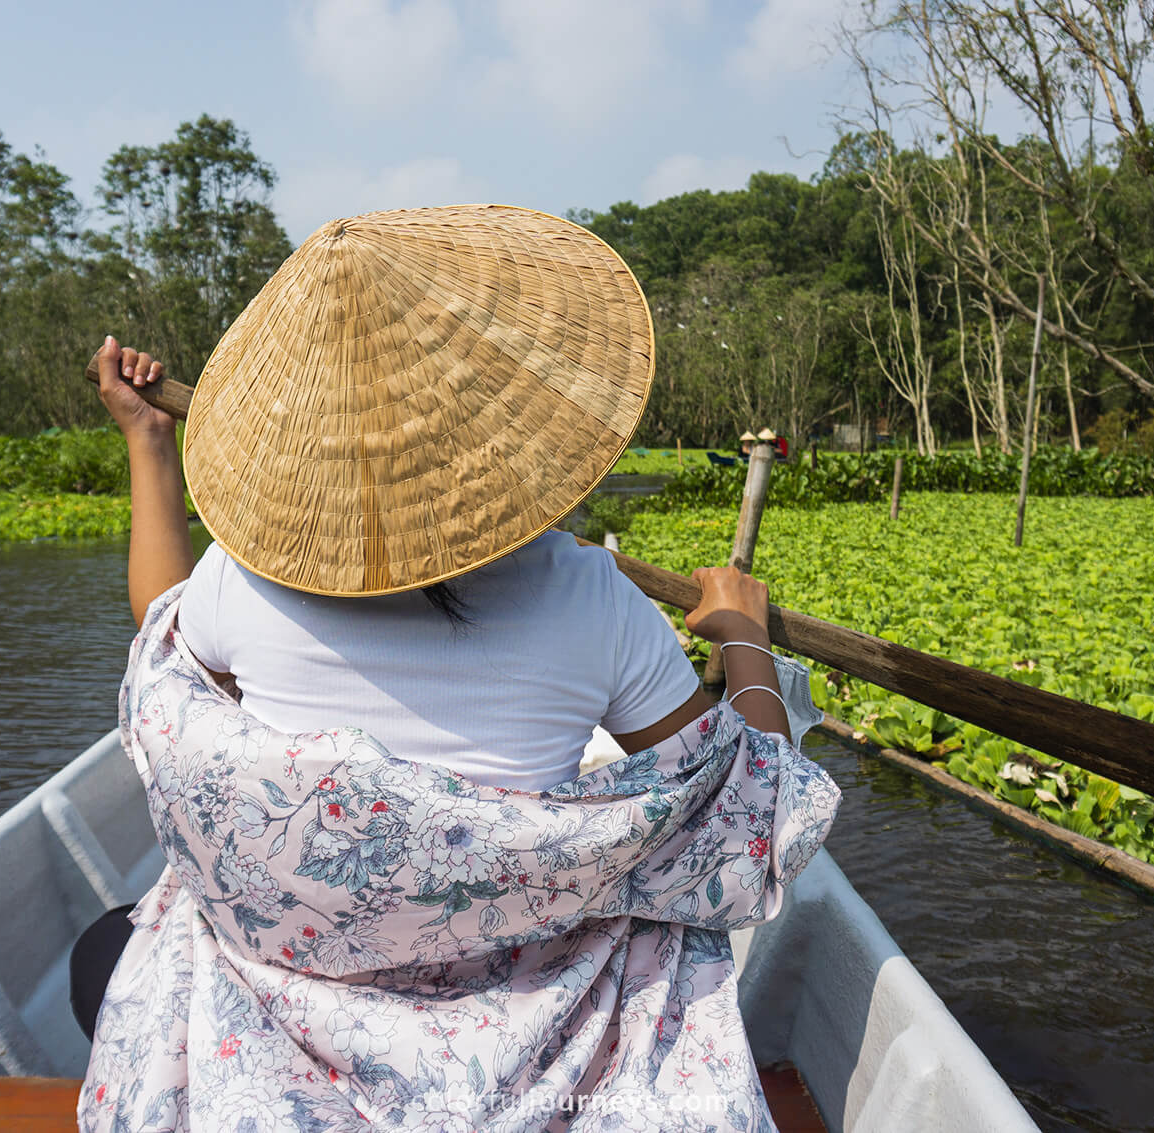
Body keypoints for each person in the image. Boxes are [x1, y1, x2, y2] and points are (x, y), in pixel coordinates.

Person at [79, 205, 838, 1132]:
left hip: (285, 1029)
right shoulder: (591, 596)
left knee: (100, 954)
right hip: (526, 1049)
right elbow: (750, 815)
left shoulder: (238, 579)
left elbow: (159, 626)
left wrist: (145, 441)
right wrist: (742, 636)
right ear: (504, 423)